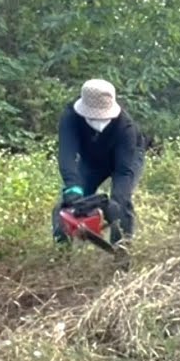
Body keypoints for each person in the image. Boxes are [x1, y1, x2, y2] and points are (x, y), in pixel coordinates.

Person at [53, 78, 147, 248]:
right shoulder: (70, 117)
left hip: (126, 159)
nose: (98, 121)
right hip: (93, 159)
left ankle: (122, 247)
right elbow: (67, 154)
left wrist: (114, 206)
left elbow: (124, 171)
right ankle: (62, 251)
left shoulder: (126, 127)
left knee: (121, 201)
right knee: (65, 205)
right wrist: (73, 188)